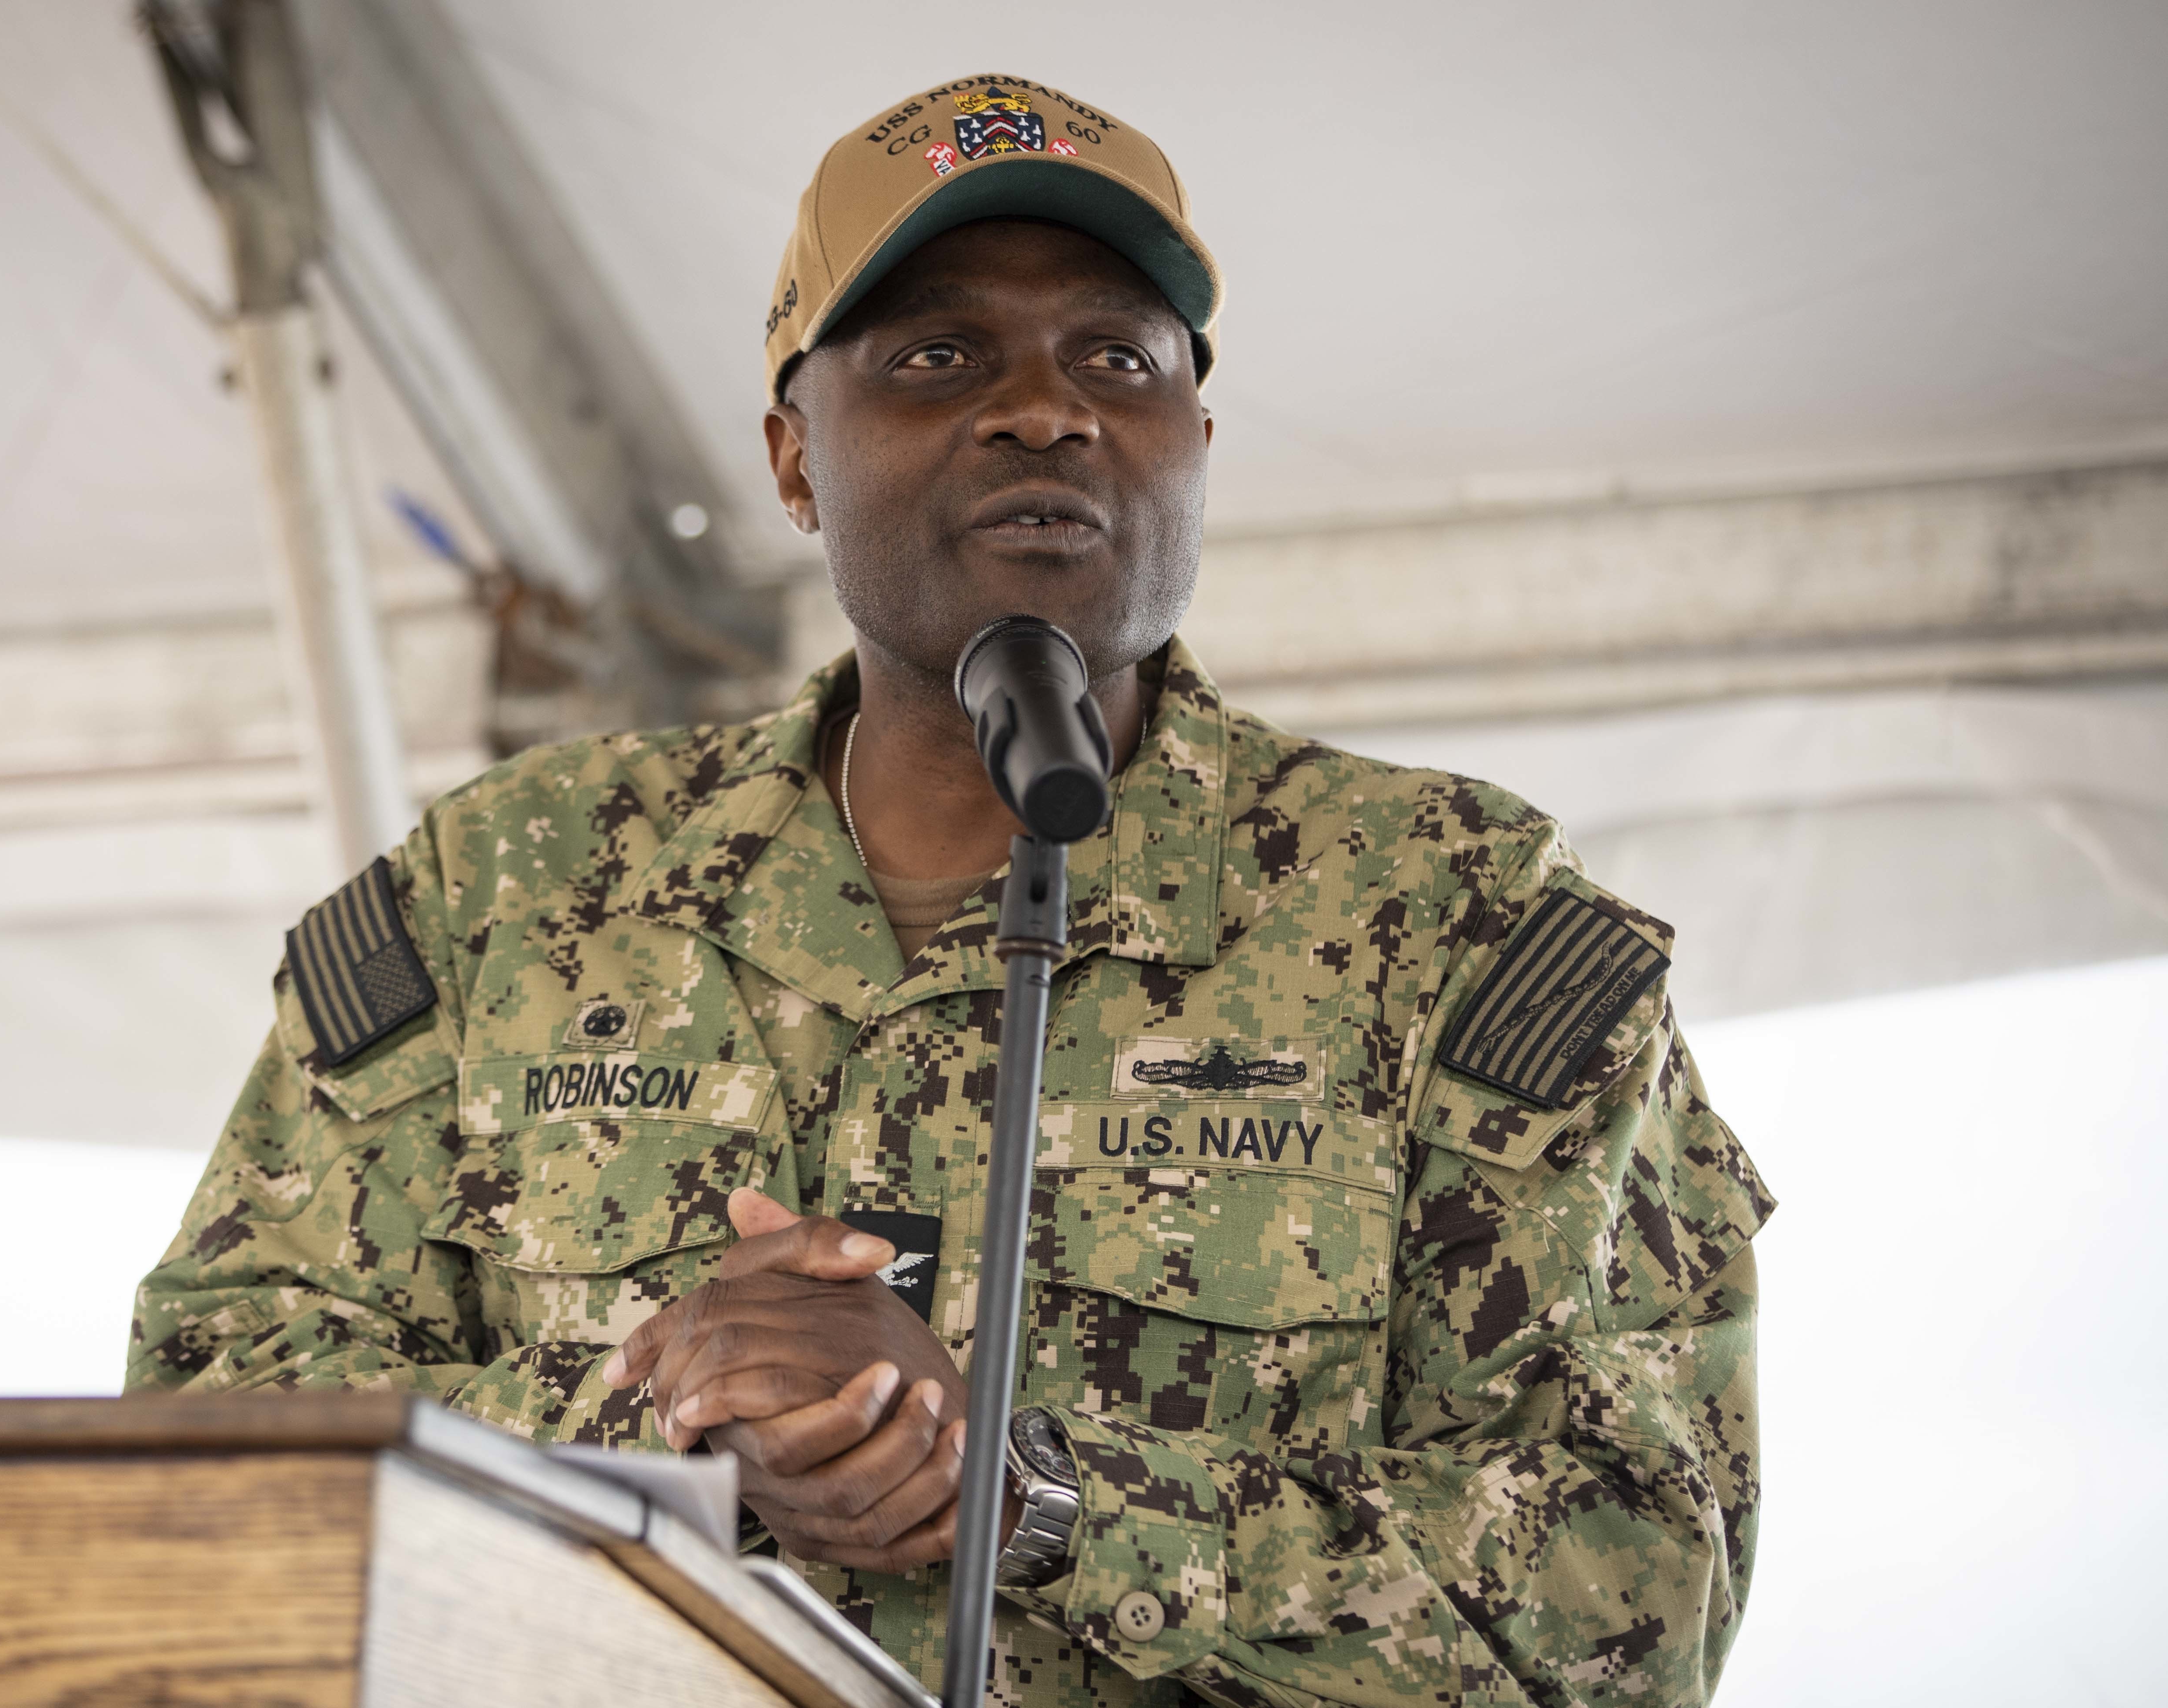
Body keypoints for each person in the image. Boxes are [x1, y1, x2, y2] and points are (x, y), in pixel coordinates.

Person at [129, 72, 1774, 1707]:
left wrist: (1031, 1490)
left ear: (1194, 445)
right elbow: (198, 1463)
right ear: (791, 458)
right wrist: (681, 1424)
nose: (1043, 409)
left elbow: (1634, 1589)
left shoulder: (1448, 918)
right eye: (937, 355)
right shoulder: (503, 893)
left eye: (1117, 360)